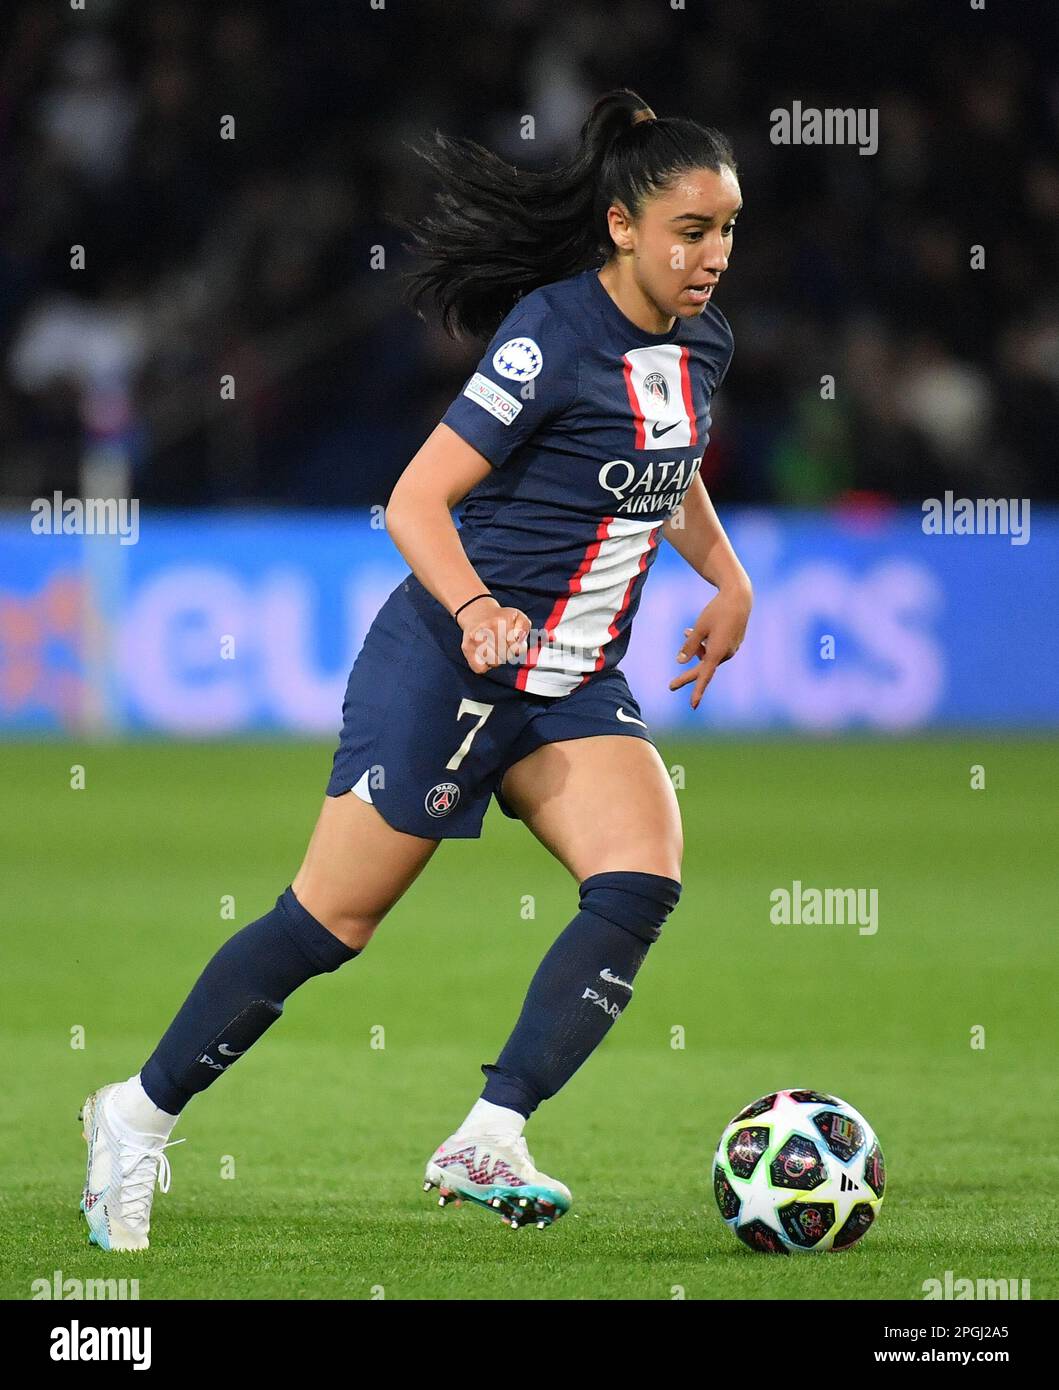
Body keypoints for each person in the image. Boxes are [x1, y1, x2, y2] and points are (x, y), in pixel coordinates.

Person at [79, 87, 752, 1249]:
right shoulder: (549, 333)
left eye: (729, 229)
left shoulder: (705, 343)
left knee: (639, 878)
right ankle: (132, 1118)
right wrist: (481, 608)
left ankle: (491, 1128)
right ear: (623, 226)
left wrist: (727, 577)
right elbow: (413, 499)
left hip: (573, 677)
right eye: (692, 231)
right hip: (452, 656)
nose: (714, 256)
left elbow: (672, 459)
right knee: (329, 924)